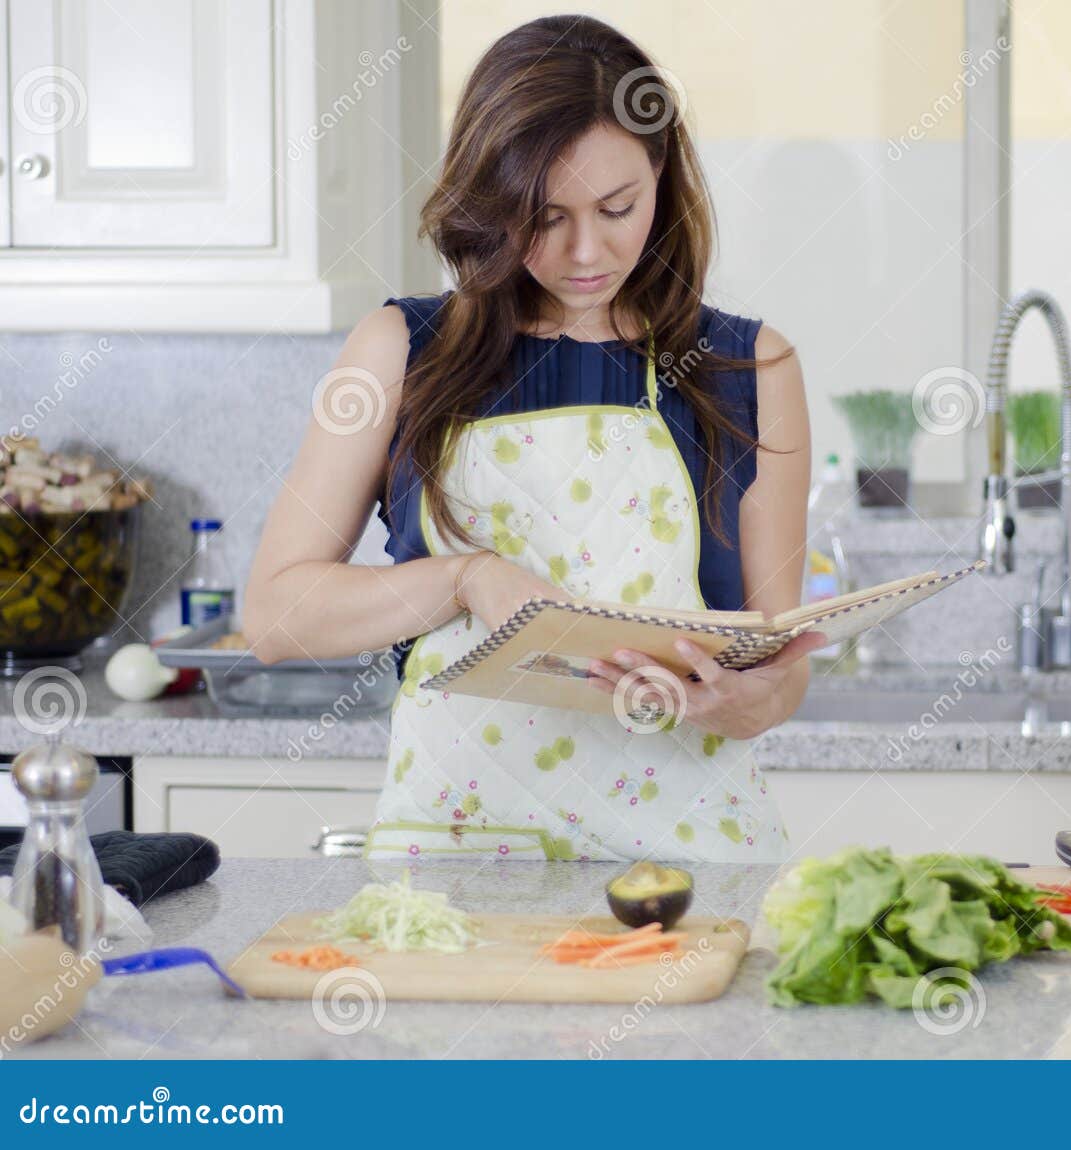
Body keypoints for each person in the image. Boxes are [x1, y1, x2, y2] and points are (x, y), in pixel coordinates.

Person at [242, 14, 823, 863]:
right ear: (489, 200)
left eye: (617, 207)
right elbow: (275, 617)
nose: (587, 251)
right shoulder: (398, 351)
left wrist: (754, 703)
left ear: (662, 174)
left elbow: (779, 660)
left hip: (695, 862)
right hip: (459, 859)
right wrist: (468, 580)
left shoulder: (750, 364)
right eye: (543, 217)